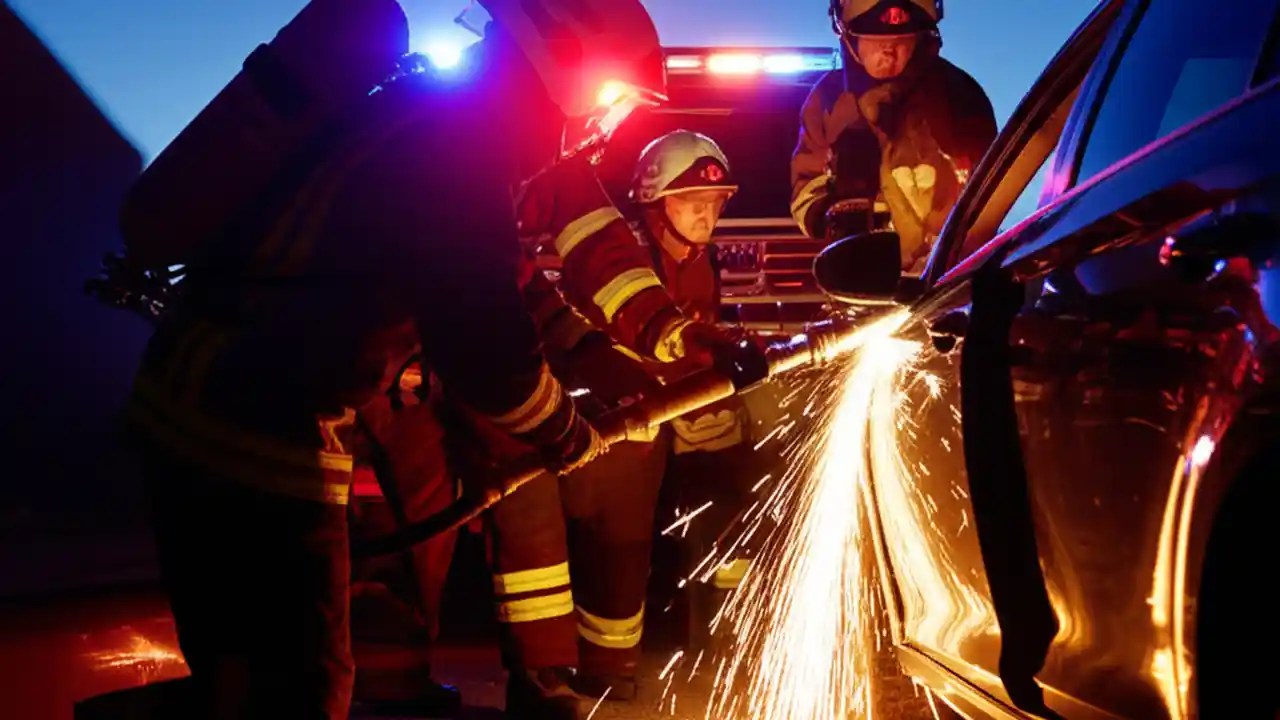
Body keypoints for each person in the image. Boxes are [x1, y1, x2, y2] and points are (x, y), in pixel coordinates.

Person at [122, 0, 726, 715]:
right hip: (254, 430)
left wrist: (599, 357)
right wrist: (567, 432)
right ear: (563, 71)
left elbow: (503, 287)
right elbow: (486, 348)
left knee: (247, 675)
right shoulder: (456, 153)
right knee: (300, 687)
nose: (609, 125)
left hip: (206, 407)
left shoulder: (432, 125)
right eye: (614, 100)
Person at [791, 0, 998, 271]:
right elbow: (805, 190)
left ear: (922, 39)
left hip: (944, 278)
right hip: (862, 277)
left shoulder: (960, 96)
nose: (889, 54)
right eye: (876, 44)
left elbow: (991, 192)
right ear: (851, 40)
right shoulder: (827, 101)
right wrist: (837, 209)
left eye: (901, 43)